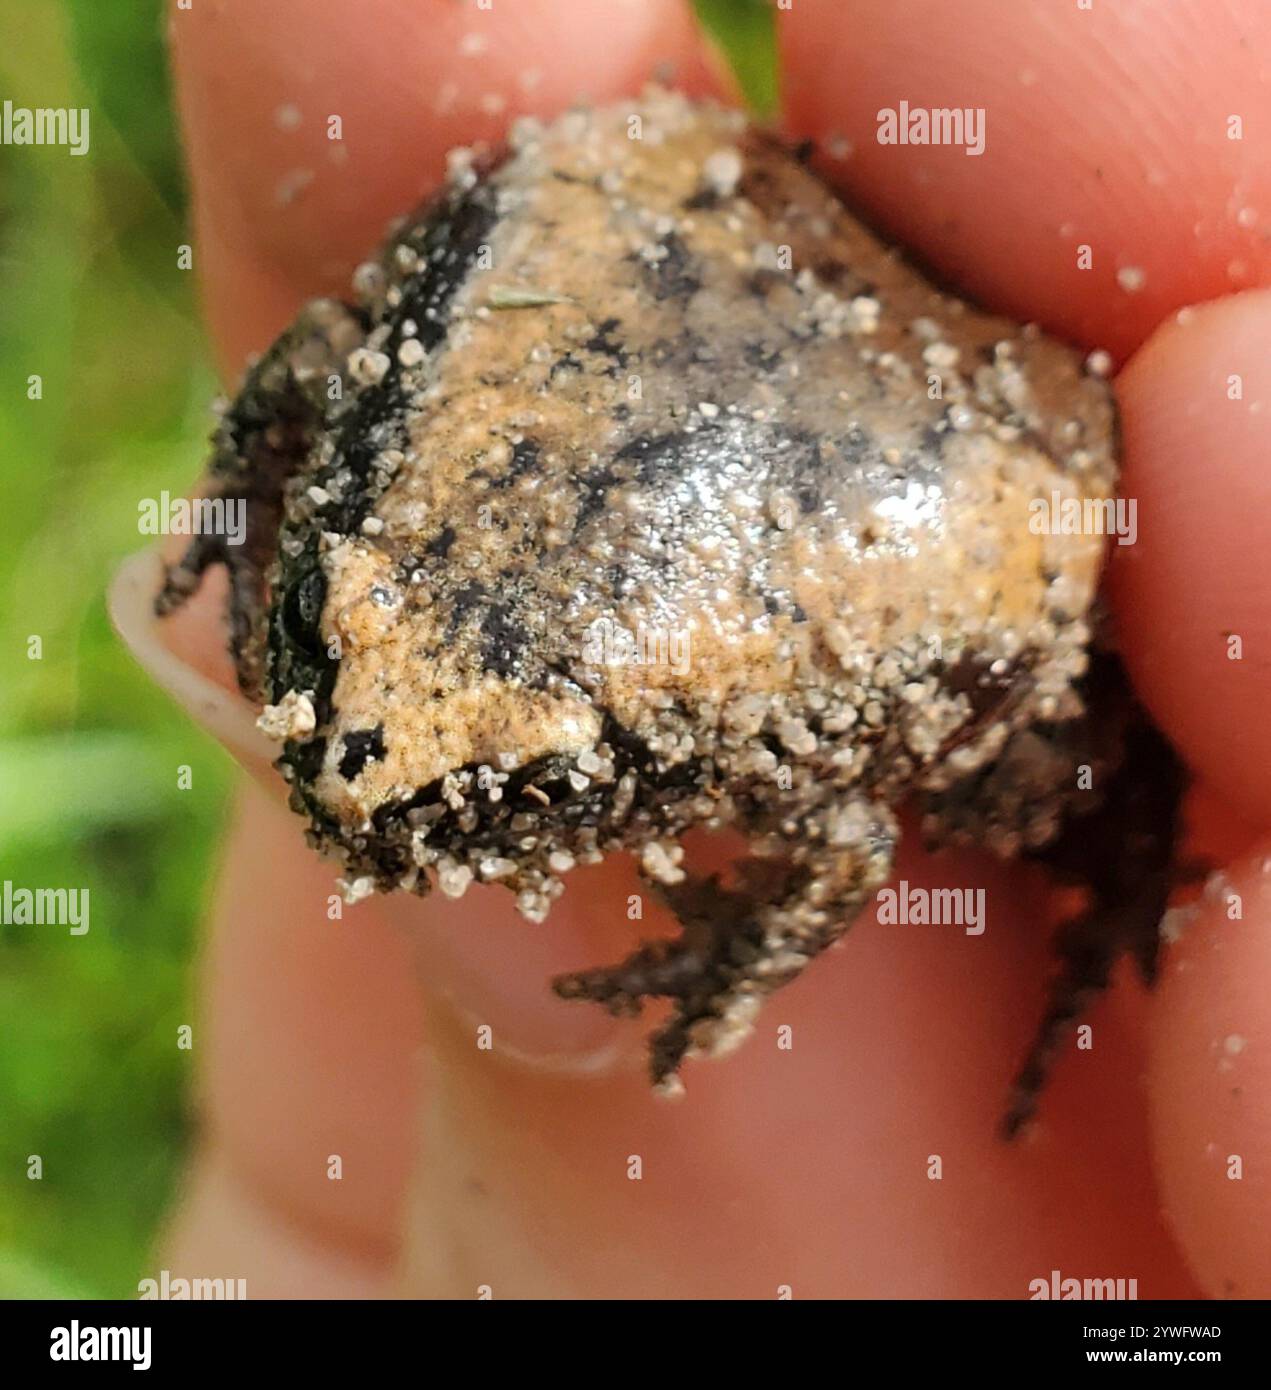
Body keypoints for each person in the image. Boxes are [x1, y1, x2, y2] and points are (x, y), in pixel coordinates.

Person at [119, 0, 1271, 1298]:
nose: (347, 774)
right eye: (329, 649)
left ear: (620, 770)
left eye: (530, 787)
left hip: (951, 479)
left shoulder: (726, 735)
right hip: (656, 263)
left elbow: (844, 844)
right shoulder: (387, 464)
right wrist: (250, 500)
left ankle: (1116, 915)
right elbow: (319, 356)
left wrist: (726, 949)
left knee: (1044, 778)